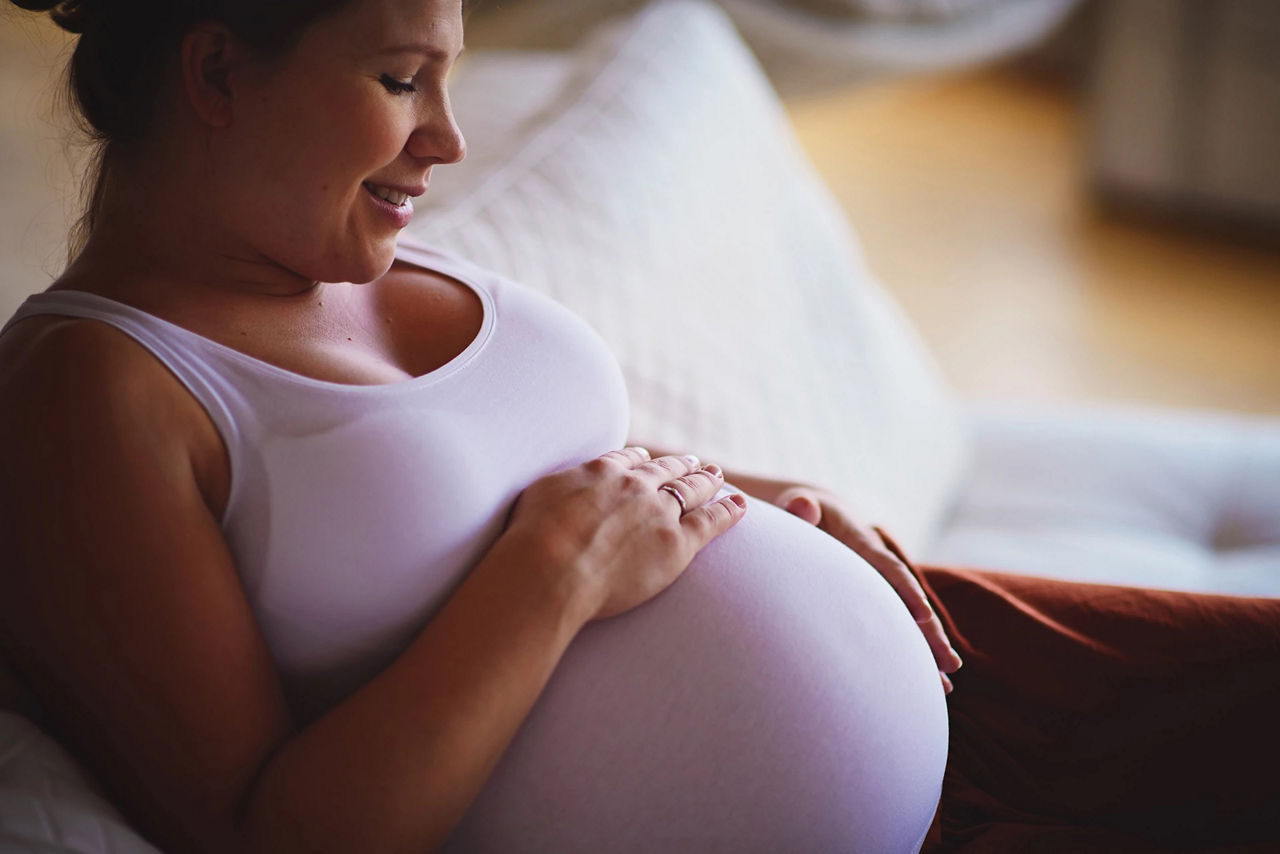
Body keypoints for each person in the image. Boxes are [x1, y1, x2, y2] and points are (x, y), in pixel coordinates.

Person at [0, 1, 1275, 852]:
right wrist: (555, 573)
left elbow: (519, 483)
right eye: (401, 81)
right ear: (218, 69)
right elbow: (263, 829)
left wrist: (727, 495)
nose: (444, 138)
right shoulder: (93, 393)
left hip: (968, 665)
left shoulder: (342, 243)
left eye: (450, 81)